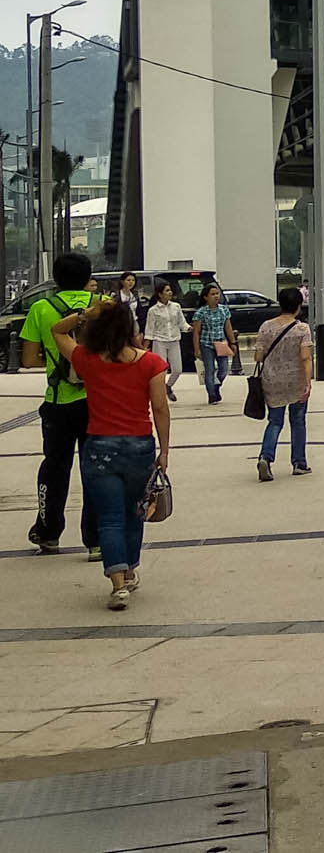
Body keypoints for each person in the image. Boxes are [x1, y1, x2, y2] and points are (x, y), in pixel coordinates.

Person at [49, 300, 170, 610]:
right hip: (139, 447)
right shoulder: (152, 363)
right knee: (134, 513)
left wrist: (84, 315)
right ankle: (130, 569)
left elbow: (57, 331)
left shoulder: (87, 359)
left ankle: (118, 585)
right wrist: (164, 450)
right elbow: (159, 407)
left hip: (100, 447)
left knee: (110, 518)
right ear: (130, 327)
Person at [23, 251, 101, 558]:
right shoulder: (104, 306)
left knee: (55, 468)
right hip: (98, 401)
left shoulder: (41, 308)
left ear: (56, 278)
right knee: (95, 469)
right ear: (88, 276)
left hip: (57, 403)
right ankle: (95, 540)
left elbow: (28, 360)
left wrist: (57, 360)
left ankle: (48, 532)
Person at [253, 287, 314, 481]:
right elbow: (305, 358)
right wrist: (308, 383)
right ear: (298, 306)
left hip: (272, 381)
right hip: (295, 381)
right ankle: (299, 463)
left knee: (275, 421)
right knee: (298, 421)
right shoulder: (302, 328)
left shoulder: (266, 327)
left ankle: (265, 457)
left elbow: (258, 356)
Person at [143, 282, 188, 403]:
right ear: (160, 294)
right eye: (167, 291)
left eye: (170, 290)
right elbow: (150, 329)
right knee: (160, 369)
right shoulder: (153, 310)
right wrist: (145, 346)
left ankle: (168, 386)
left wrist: (189, 328)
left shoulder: (176, 306)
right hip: (159, 341)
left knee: (177, 369)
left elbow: (181, 322)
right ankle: (159, 393)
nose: (170, 293)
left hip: (174, 340)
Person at [191, 283, 235, 405]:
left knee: (223, 369)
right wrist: (197, 349)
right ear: (206, 297)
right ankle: (212, 395)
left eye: (217, 294)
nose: (216, 296)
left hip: (221, 342)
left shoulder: (223, 309)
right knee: (209, 370)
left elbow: (228, 327)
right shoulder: (201, 312)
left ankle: (217, 386)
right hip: (207, 344)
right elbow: (196, 332)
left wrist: (233, 343)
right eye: (213, 294)